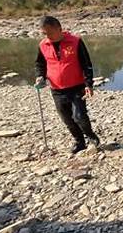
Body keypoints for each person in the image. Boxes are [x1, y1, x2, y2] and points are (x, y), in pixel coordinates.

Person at [34, 16, 100, 154]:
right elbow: (40, 64)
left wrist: (89, 84)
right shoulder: (43, 45)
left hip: (77, 86)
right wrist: (40, 76)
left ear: (59, 29)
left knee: (79, 116)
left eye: (50, 33)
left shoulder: (75, 41)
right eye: (44, 33)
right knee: (67, 118)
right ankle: (79, 141)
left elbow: (86, 64)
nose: (48, 36)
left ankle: (91, 137)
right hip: (56, 88)